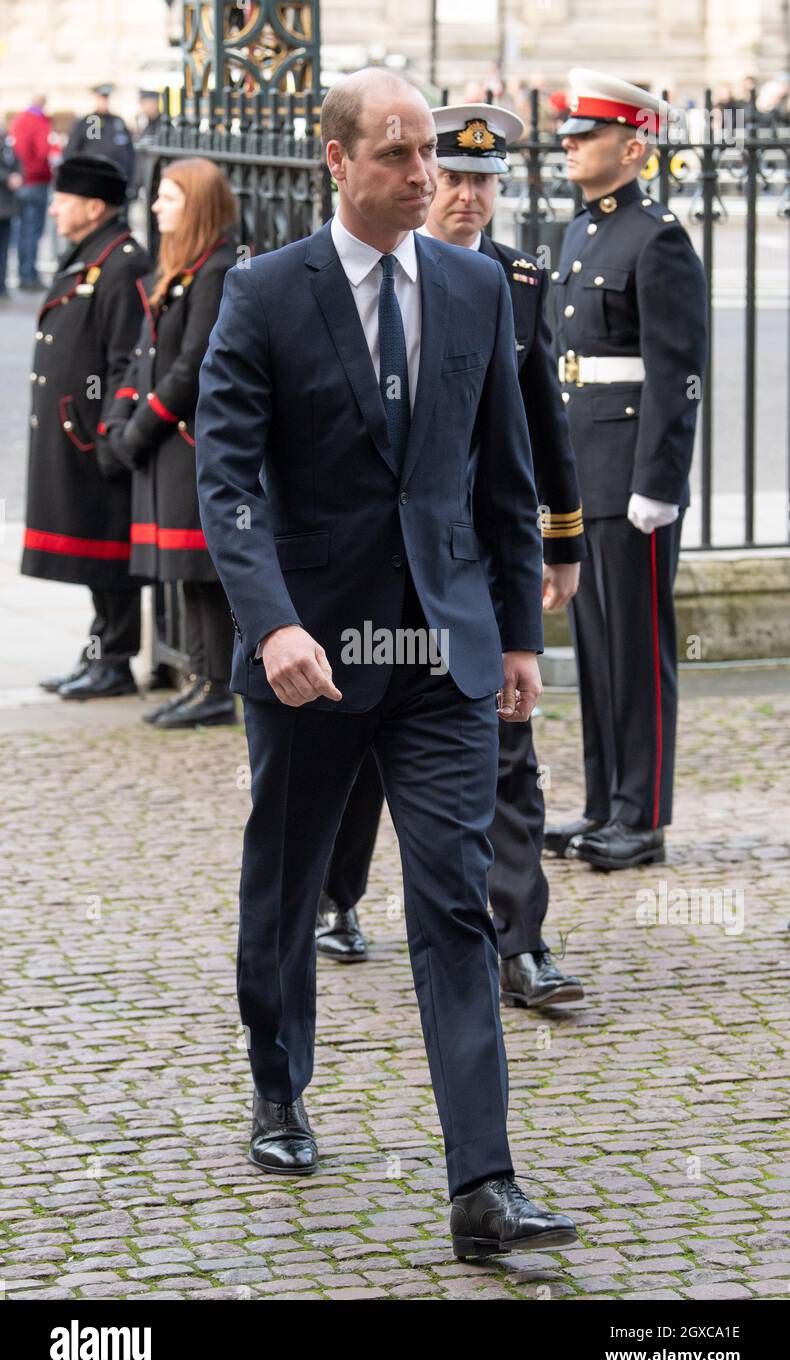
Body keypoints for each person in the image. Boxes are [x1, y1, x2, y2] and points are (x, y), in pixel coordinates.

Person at [195, 67, 580, 1259]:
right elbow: (228, 484)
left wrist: (516, 633)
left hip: (442, 654)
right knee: (286, 882)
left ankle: (484, 1182)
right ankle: (277, 1085)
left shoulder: (474, 287)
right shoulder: (263, 291)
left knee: (454, 903)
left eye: (431, 157)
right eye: (399, 155)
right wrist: (271, 624)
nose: (425, 177)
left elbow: (504, 476)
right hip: (313, 654)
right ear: (336, 162)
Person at [314, 102, 587, 1011]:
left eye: (483, 180)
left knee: (507, 746)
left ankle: (520, 938)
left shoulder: (513, 282)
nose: (466, 194)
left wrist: (563, 540)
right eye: (454, 176)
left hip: (472, 561)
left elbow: (538, 424)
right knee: (355, 748)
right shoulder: (355, 278)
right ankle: (336, 894)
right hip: (375, 562)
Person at [543, 69, 707, 870]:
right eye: (570, 134)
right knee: (594, 643)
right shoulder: (579, 233)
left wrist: (659, 485)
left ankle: (640, 816)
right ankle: (604, 802)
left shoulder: (658, 236)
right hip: (581, 462)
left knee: (637, 648)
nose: (570, 145)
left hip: (630, 471)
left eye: (587, 135)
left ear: (634, 146)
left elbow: (677, 372)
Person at [104, 157, 238, 728]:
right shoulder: (185, 267)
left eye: (168, 197)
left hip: (192, 440)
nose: (156, 207)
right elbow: (146, 355)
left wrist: (142, 427)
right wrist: (123, 415)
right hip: (171, 446)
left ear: (198, 204)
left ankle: (217, 689)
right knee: (188, 571)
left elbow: (192, 364)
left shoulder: (218, 267)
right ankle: (201, 680)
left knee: (206, 571)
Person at [20, 155, 151, 698]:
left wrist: (107, 431)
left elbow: (130, 357)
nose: (52, 208)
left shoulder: (122, 262)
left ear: (94, 206)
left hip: (99, 435)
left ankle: (115, 661)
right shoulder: (93, 253)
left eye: (63, 199)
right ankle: (98, 652)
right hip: (81, 431)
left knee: (109, 552)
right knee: (93, 553)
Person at [9, 95, 54, 290]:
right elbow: (43, 151)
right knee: (32, 231)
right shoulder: (38, 122)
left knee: (23, 230)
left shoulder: (20, 120)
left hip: (24, 181)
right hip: (36, 181)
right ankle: (28, 275)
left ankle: (24, 273)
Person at [64, 85, 136, 200]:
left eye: (106, 98)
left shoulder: (118, 122)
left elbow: (129, 152)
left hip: (116, 179)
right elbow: (71, 151)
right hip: (93, 181)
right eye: (101, 97)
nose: (104, 101)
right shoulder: (88, 122)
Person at [0, 127, 23, 298]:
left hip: (6, 207)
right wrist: (7, 177)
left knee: (5, 248)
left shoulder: (7, 143)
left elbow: (18, 163)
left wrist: (18, 176)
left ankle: (2, 284)